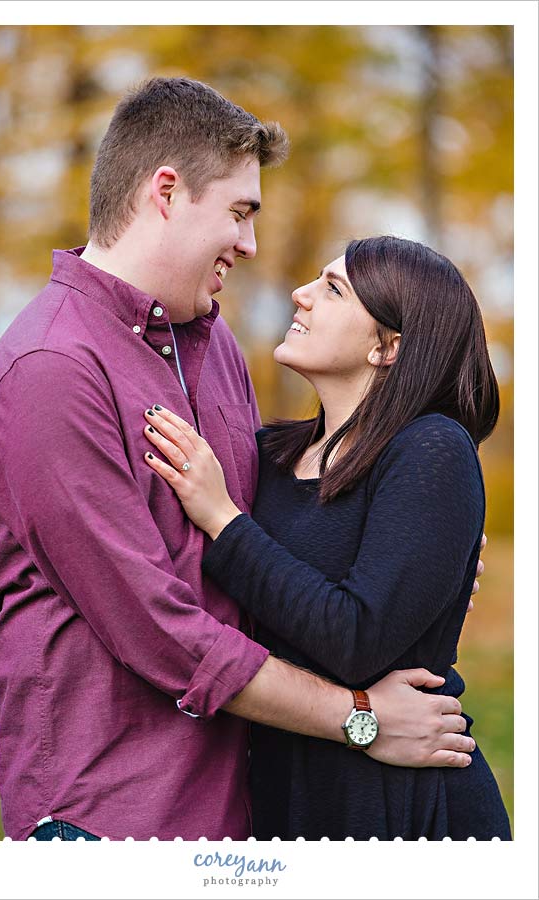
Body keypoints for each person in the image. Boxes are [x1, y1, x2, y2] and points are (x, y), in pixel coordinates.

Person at [0, 78, 479, 843]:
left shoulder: (213, 349)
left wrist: (418, 566)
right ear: (166, 192)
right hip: (109, 817)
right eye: (240, 213)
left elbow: (275, 532)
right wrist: (361, 720)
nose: (250, 245)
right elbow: (158, 628)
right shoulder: (52, 366)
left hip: (242, 811)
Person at [143, 235, 511, 840]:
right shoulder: (270, 454)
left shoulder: (430, 449)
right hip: (279, 792)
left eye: (333, 289)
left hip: (397, 804)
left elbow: (356, 640)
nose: (300, 294)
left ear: (387, 347)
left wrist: (223, 521)